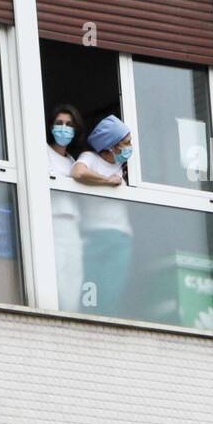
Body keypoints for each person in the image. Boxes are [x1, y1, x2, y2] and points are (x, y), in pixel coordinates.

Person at [72, 115, 134, 316]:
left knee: (111, 291)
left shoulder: (125, 168)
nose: (130, 147)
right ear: (111, 147)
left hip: (120, 237)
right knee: (90, 291)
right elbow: (78, 173)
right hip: (92, 237)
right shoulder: (91, 159)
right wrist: (107, 181)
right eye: (126, 143)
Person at [47, 105, 85, 313]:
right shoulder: (42, 152)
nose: (64, 128)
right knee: (58, 278)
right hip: (55, 221)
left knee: (74, 279)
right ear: (51, 127)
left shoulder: (72, 162)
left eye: (69, 125)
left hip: (73, 226)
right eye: (59, 123)